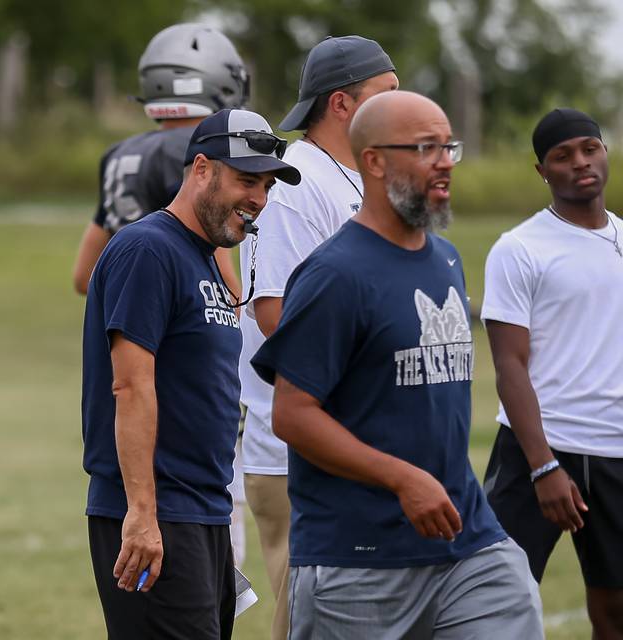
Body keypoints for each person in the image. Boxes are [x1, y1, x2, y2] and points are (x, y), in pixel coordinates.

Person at [251, 90, 543, 639]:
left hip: (467, 543)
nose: (444, 162)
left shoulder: (447, 259)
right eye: (424, 147)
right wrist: (402, 478)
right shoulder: (334, 275)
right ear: (375, 161)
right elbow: (291, 414)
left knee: (516, 602)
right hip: (357, 560)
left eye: (448, 147)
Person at [81, 108, 300, 640]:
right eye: (247, 180)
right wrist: (142, 513)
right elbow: (130, 386)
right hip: (156, 514)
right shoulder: (147, 249)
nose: (259, 199)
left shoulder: (201, 255)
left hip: (202, 509)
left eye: (267, 186)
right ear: (201, 169)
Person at [237, 34, 398, 640]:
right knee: (312, 622)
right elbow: (273, 309)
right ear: (340, 104)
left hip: (347, 435)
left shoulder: (354, 178)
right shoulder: (299, 182)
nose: (399, 107)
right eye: (385, 95)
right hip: (296, 449)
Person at [482, 108, 623, 638]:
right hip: (538, 449)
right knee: (494, 605)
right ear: (542, 171)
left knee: (614, 612)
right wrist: (543, 467)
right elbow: (509, 365)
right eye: (563, 156)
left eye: (589, 148)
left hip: (615, 454)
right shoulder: (519, 250)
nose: (580, 163)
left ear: (604, 152)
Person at [71, 22, 248, 296]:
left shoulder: (118, 153)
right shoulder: (196, 150)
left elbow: (84, 278)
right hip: (184, 324)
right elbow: (221, 287)